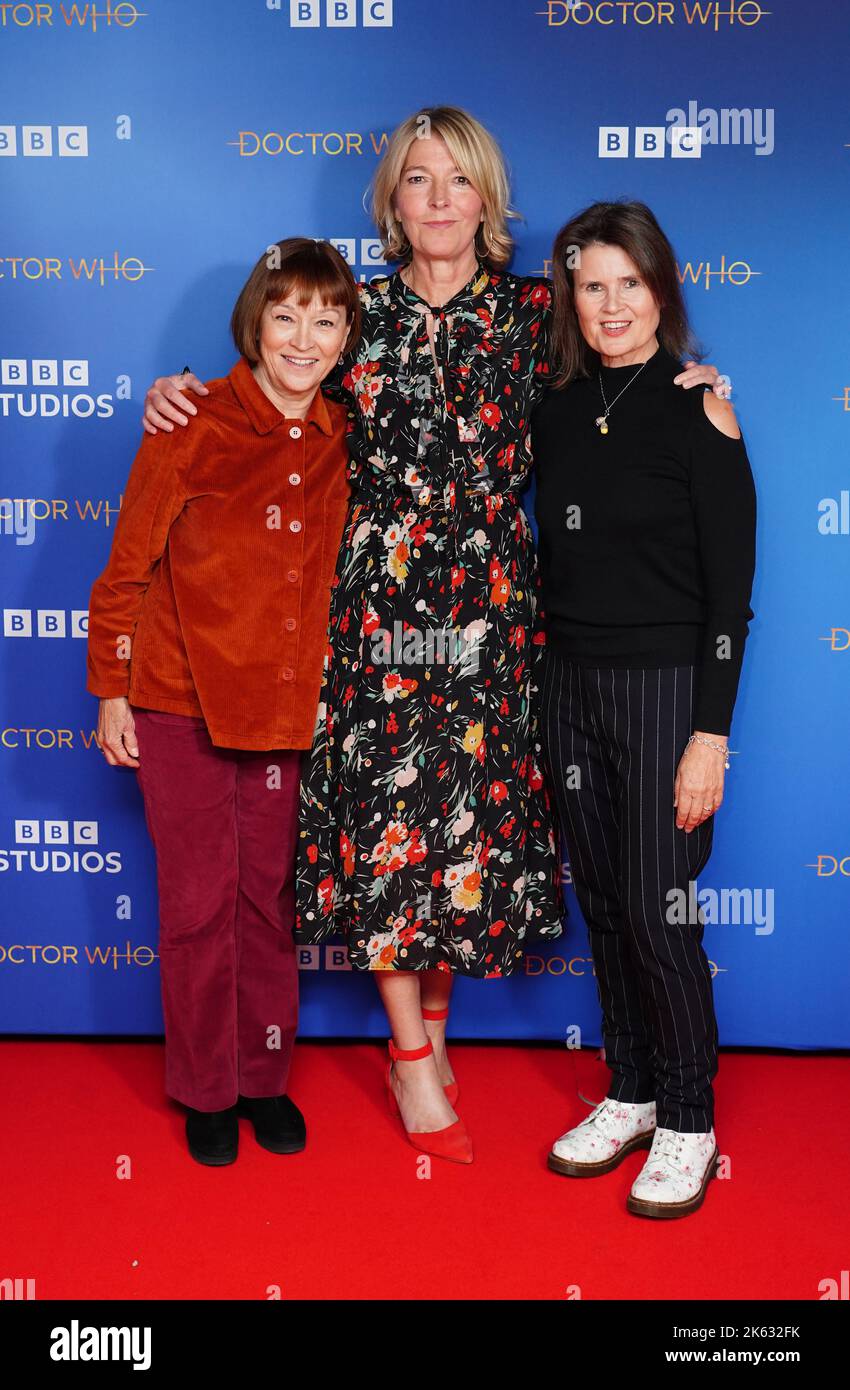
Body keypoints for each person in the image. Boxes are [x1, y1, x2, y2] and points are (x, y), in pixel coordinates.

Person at [139, 107, 727, 1167]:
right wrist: (175, 395)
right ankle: (409, 1055)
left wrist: (696, 384)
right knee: (390, 837)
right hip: (375, 617)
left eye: (461, 179)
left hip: (500, 620)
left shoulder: (535, 315)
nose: (441, 198)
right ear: (393, 203)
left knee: (464, 841)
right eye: (420, 179)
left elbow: (620, 368)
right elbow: (272, 372)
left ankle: (442, 1036)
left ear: (488, 202)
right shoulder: (354, 314)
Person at [86, 238, 357, 1166]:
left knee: (267, 905)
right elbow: (124, 572)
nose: (304, 338)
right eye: (286, 316)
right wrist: (111, 688)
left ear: (346, 333)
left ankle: (262, 1078)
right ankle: (206, 1088)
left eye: (326, 319)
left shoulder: (341, 436)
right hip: (176, 702)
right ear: (256, 322)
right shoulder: (187, 422)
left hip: (282, 712)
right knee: (198, 904)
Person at [532, 200, 757, 1217]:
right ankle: (626, 1088)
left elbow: (728, 592)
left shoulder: (699, 406)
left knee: (663, 914)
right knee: (611, 907)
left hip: (668, 688)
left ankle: (688, 1117)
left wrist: (708, 734)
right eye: (591, 285)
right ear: (568, 299)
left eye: (630, 283)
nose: (611, 303)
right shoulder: (554, 409)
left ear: (660, 291)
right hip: (567, 685)